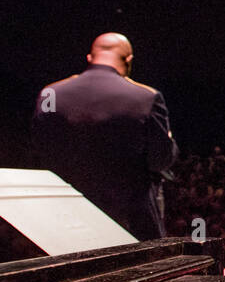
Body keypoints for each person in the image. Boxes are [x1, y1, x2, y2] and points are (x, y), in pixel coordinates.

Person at [31, 33, 179, 239]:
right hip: (128, 219)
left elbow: (41, 150)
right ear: (129, 60)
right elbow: (160, 160)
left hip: (65, 217)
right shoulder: (146, 97)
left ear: (90, 58)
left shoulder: (51, 93)